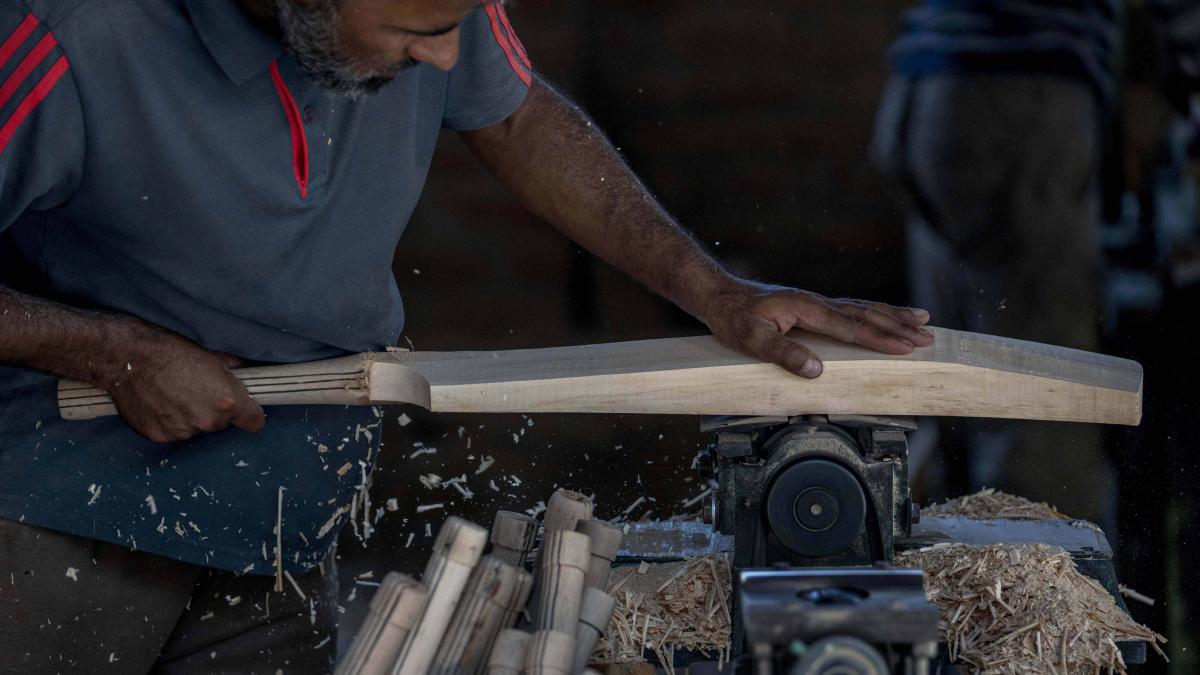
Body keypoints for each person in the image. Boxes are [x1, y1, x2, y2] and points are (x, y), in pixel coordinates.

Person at [0, 0, 933, 672]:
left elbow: (517, 115)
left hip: (285, 511)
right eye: (421, 30)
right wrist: (112, 353)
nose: (448, 54)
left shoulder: (437, 11)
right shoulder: (72, 35)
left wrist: (715, 293)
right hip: (66, 514)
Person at [871, 0, 1121, 526]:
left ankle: (941, 560)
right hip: (1021, 88)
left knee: (948, 370)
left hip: (927, 89)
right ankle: (1041, 574)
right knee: (1041, 398)